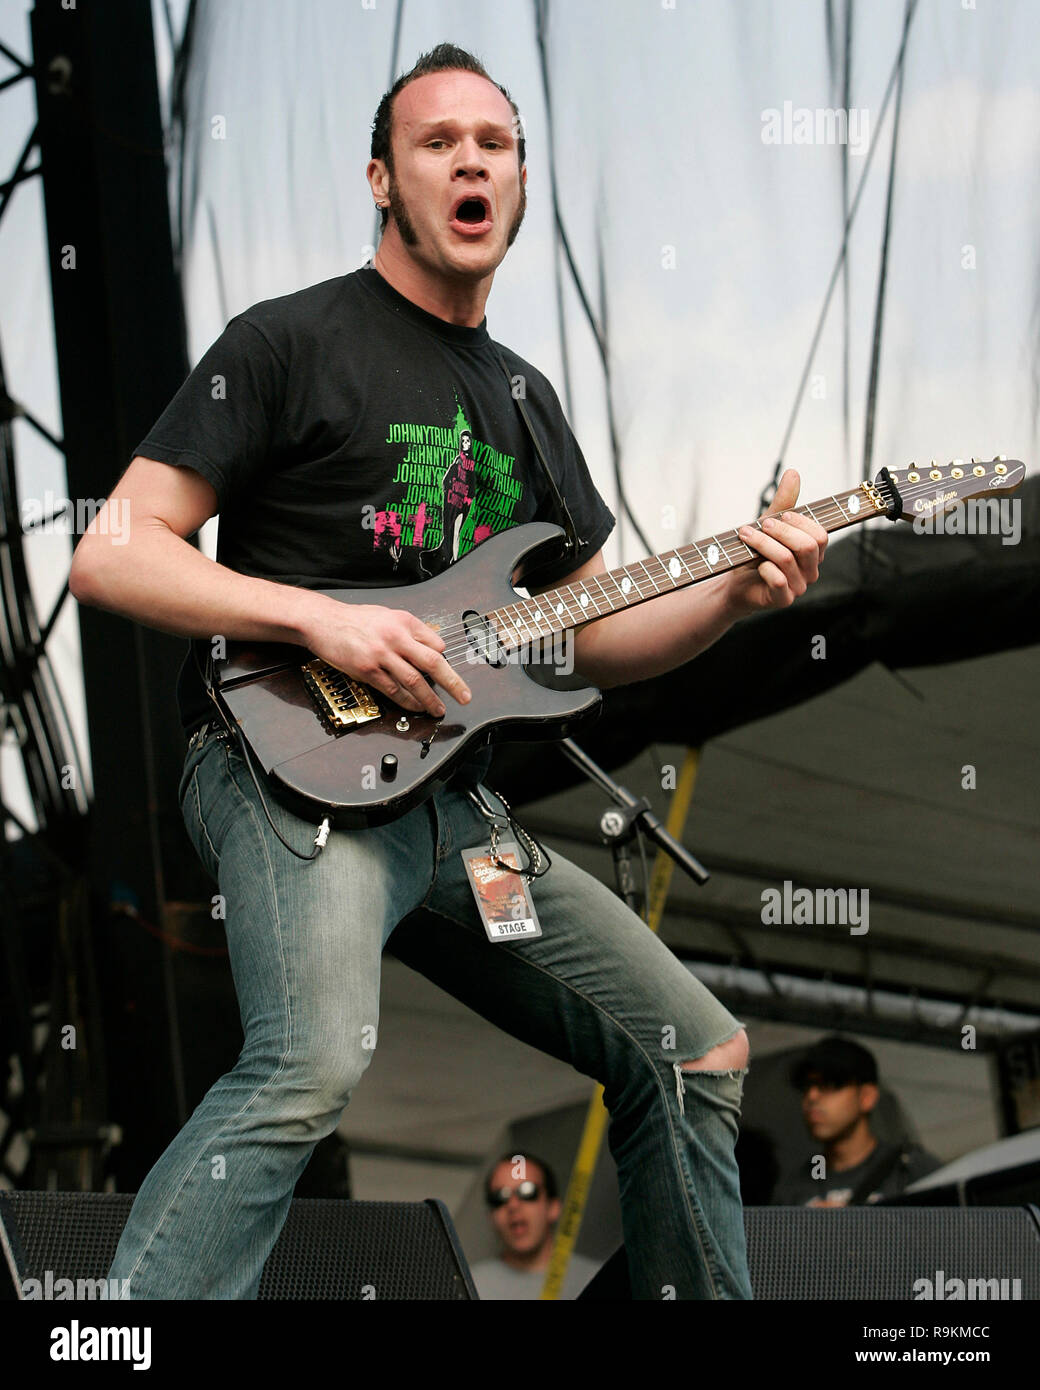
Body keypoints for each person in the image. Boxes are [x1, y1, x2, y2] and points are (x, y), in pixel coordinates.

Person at [69, 43, 829, 1299]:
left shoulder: (526, 401)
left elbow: (588, 632)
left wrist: (735, 598)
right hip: (283, 771)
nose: (471, 158)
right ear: (381, 178)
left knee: (695, 1049)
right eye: (436, 142)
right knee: (311, 1064)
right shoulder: (286, 341)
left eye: (495, 142)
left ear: (518, 185)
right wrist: (320, 619)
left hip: (447, 807)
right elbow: (115, 553)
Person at [773, 1036, 941, 1206]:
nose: (812, 1096)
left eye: (830, 1085)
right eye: (807, 1087)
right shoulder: (792, 1188)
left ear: (866, 1097)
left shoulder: (911, 1169)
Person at [469, 1153, 600, 1299]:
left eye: (527, 1191)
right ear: (491, 1216)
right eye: (499, 1197)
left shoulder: (599, 1279)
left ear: (553, 1207)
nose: (512, 1205)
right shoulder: (469, 1287)